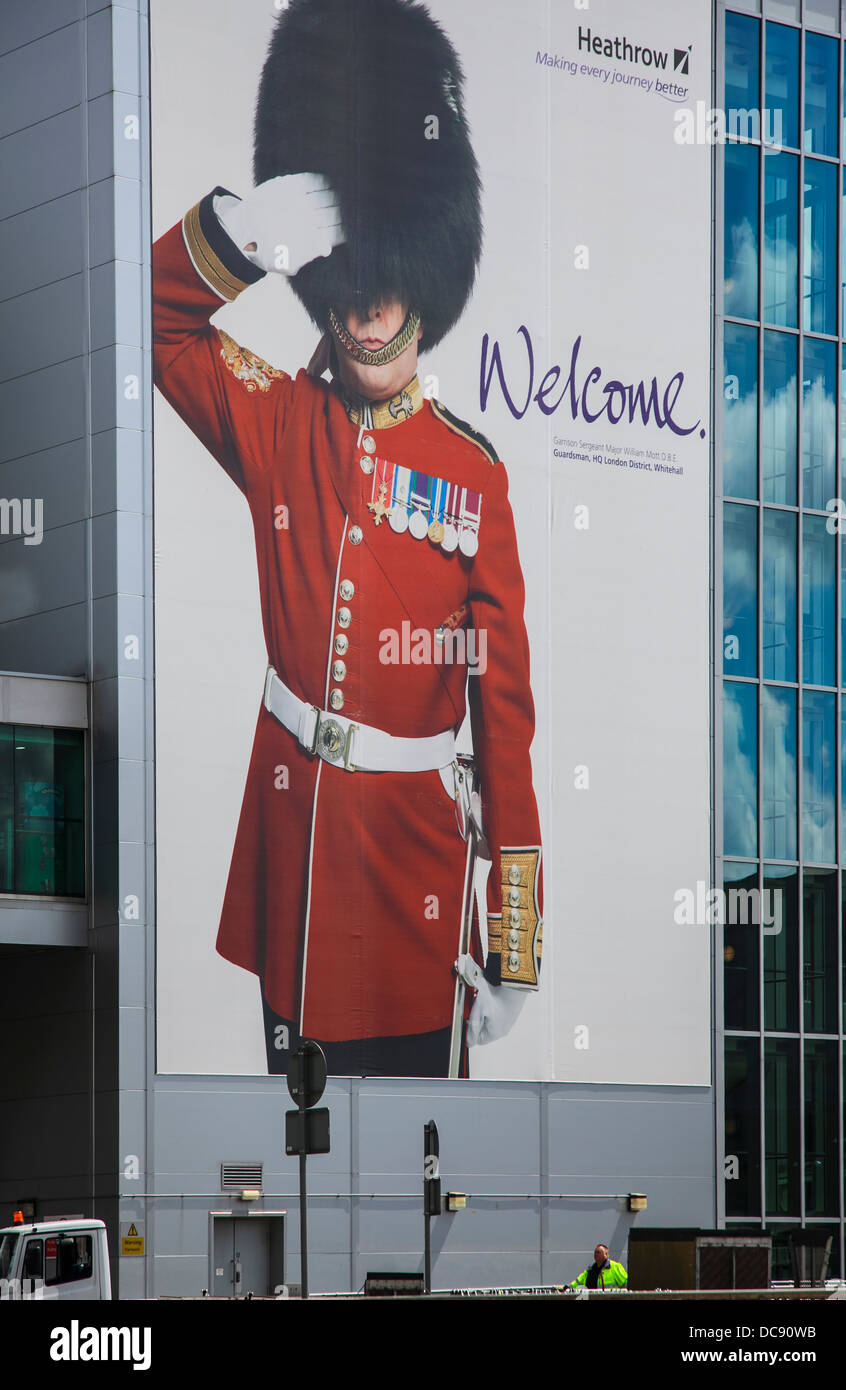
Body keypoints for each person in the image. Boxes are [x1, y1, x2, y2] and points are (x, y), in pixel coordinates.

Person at [152, 0, 543, 1077]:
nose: (366, 313)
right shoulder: (280, 424)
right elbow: (148, 316)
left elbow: (500, 714)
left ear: (425, 282)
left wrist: (512, 933)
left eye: (385, 291)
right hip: (301, 852)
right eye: (346, 290)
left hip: (414, 866)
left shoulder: (472, 473)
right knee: (299, 1167)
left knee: (418, 1185)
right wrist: (252, 229)